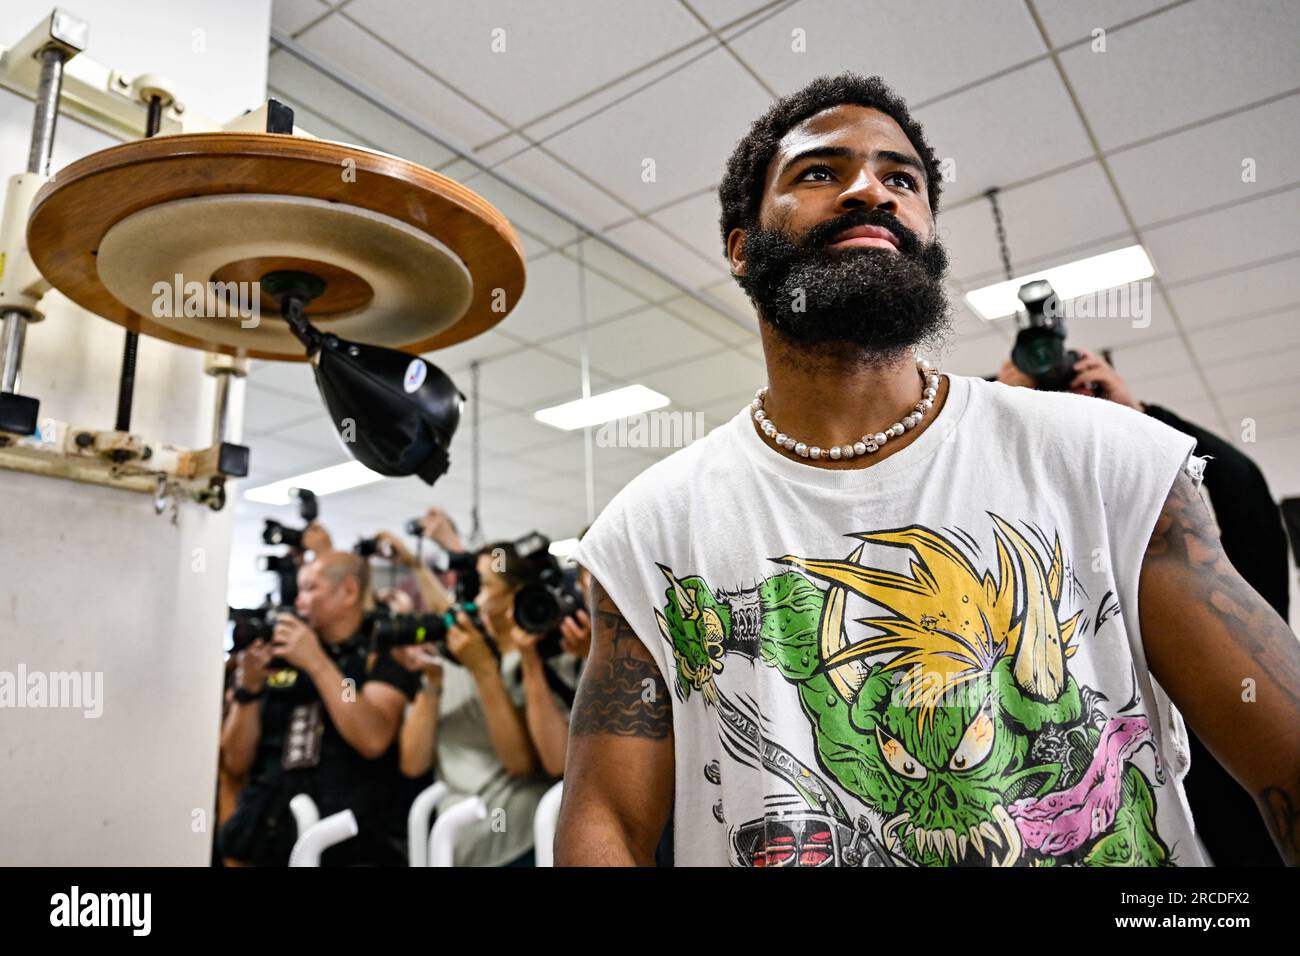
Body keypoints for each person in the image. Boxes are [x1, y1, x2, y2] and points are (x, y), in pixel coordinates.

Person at [555, 72, 1300, 867]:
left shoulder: (1109, 458)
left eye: (901, 178)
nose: (870, 190)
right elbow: (607, 824)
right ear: (742, 248)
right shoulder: (648, 531)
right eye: (820, 171)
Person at [998, 350, 1290, 866]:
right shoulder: (1021, 481)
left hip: (1220, 773)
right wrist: (1003, 406)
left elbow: (1248, 514)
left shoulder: (1148, 474)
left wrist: (1143, 418)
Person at [218, 551, 420, 866]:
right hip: (266, 838)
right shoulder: (281, 654)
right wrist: (249, 690)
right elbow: (234, 762)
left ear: (349, 592)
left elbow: (372, 737)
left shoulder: (378, 654)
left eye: (311, 588)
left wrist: (316, 662)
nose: (300, 601)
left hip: (349, 843)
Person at [397, 541, 587, 866]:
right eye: (470, 586)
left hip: (518, 838)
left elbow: (525, 763)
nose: (473, 599)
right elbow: (413, 764)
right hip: (454, 838)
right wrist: (432, 682)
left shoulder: (545, 663)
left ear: (516, 596)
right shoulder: (453, 655)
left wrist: (485, 669)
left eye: (484, 586)